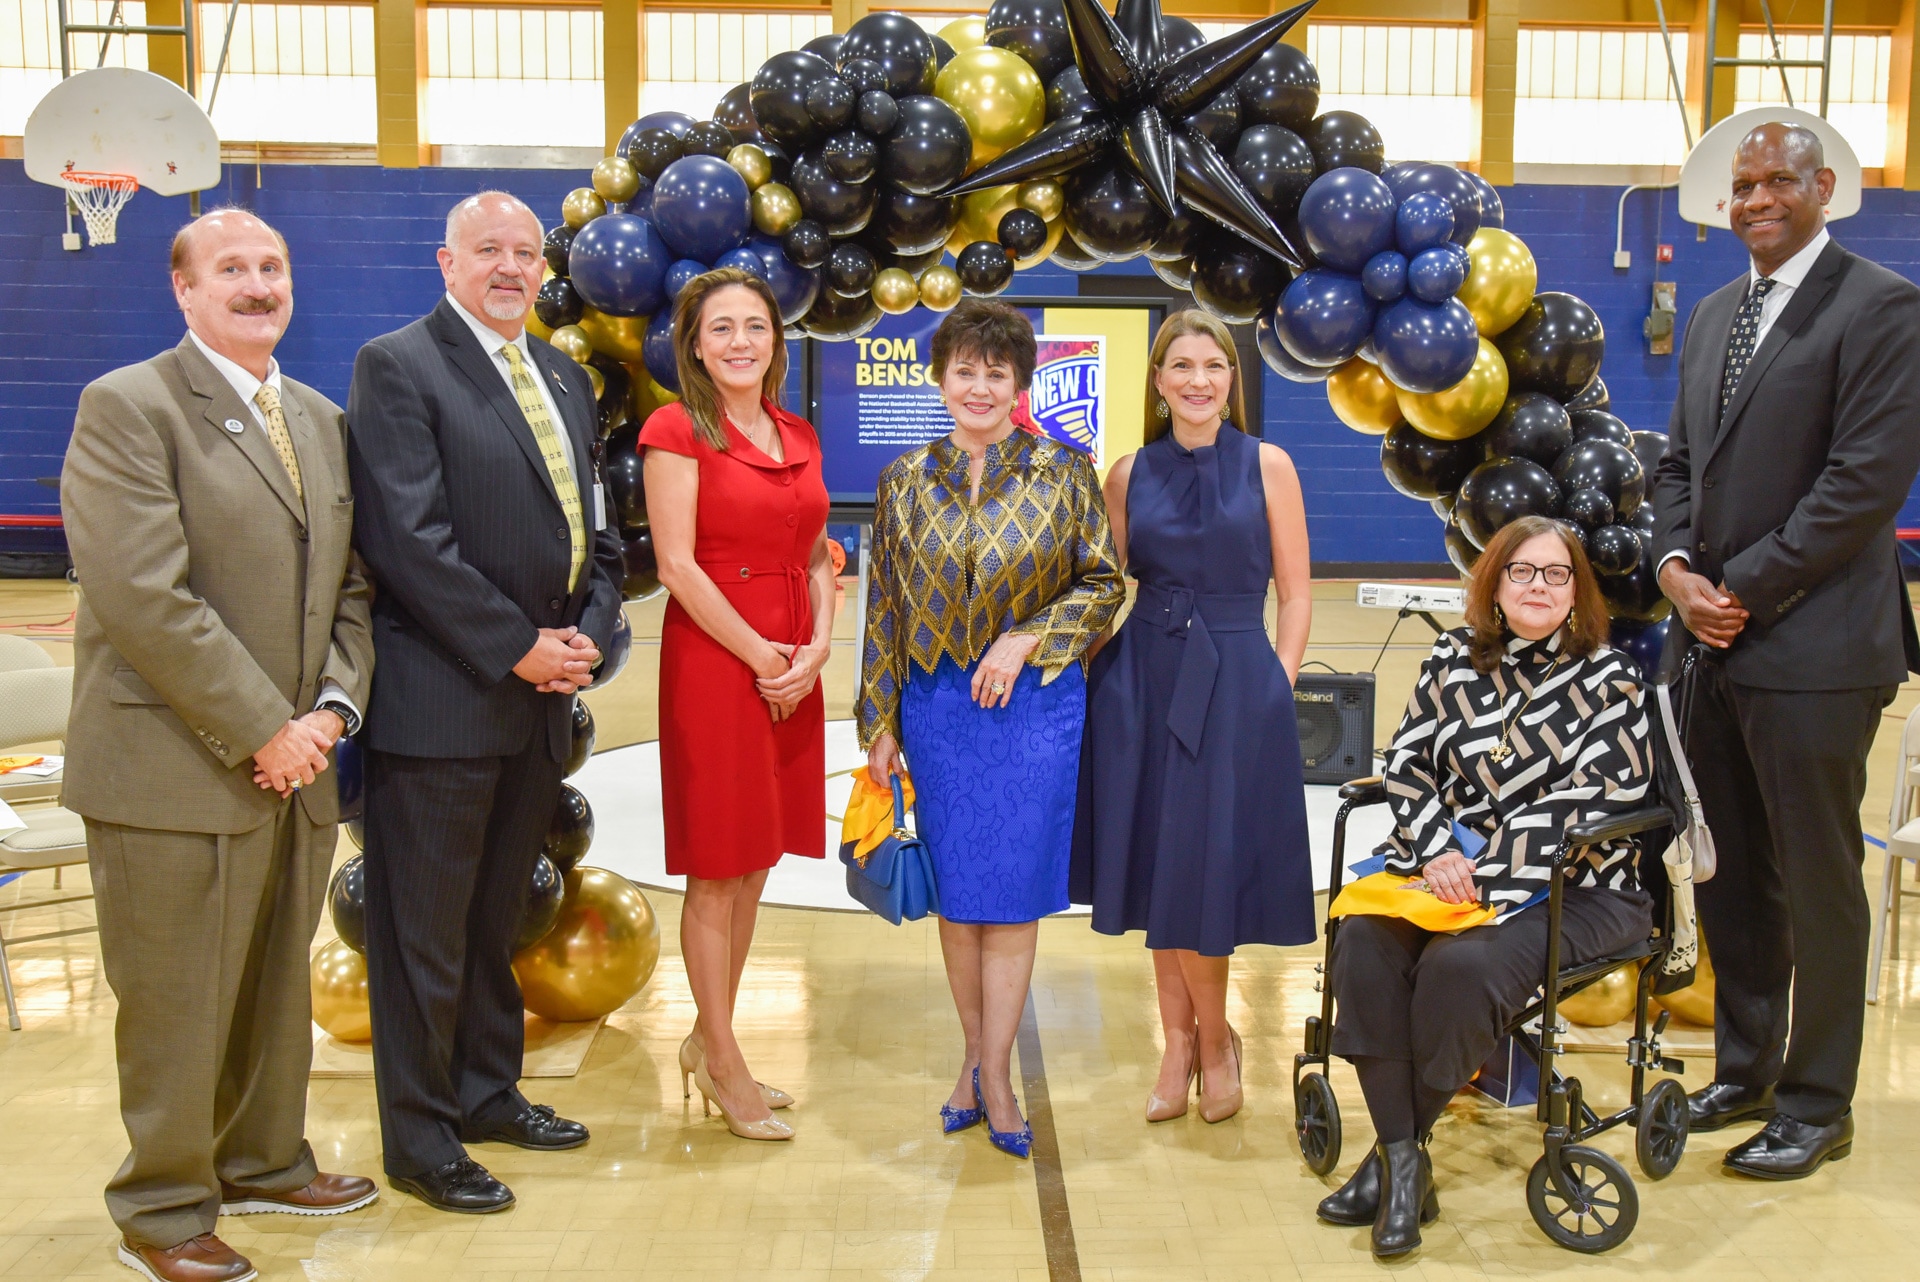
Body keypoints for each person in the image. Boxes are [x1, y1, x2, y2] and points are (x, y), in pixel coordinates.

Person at [61, 207, 377, 1282]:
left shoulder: (321, 419)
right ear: (184, 291)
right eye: (231, 267)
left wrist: (331, 714)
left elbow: (350, 589)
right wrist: (264, 728)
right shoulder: (131, 407)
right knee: (178, 996)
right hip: (172, 767)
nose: (257, 284)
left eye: (273, 266)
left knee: (272, 984)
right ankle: (160, 1205)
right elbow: (146, 598)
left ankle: (261, 1157)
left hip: (296, 765)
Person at [345, 192, 625, 1213]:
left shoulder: (560, 374)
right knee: (421, 929)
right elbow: (408, 541)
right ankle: (420, 1140)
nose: (509, 266)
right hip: (444, 701)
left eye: (524, 251)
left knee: (497, 916)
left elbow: (597, 531)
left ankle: (483, 1089)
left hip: (538, 705)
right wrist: (518, 647)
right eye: (488, 250)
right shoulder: (399, 366)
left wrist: (589, 632)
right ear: (446, 261)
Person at [1650, 122, 1920, 1179]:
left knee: (1815, 875)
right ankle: (1747, 1066)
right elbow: (1677, 466)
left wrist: (1741, 591)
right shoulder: (1716, 313)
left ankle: (1818, 1102)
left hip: (1815, 645)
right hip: (1708, 645)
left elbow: (1864, 482)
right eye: (1743, 184)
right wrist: (1675, 573)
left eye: (1778, 181)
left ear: (1825, 189)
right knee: (1731, 873)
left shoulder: (1880, 306)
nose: (1757, 197)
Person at [1318, 516, 1652, 1259]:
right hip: (1447, 872)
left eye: (1555, 574)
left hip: (1578, 888)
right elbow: (1406, 763)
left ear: (1577, 590)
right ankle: (1404, 1162)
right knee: (1364, 941)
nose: (1539, 586)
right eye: (1522, 572)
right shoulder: (1453, 658)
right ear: (1494, 585)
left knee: (1460, 967)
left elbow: (1601, 798)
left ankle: (1392, 1166)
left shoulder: (1610, 678)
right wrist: (1439, 851)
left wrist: (1486, 873)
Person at [859, 299, 1124, 1158]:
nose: (979, 387)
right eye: (964, 370)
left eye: (996, 373)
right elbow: (887, 609)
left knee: (1008, 898)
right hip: (936, 711)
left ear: (1020, 384)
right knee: (958, 896)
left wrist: (1026, 638)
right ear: (941, 378)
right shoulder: (902, 481)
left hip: (1034, 707)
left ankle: (998, 1072)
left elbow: (1103, 585)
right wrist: (880, 716)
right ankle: (973, 1058)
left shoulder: (1064, 471)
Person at [1070, 309, 1315, 1126]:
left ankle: (1212, 1042)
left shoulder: (1270, 464)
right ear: (1159, 379)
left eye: (1214, 365)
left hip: (1239, 676)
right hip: (1143, 677)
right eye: (1182, 365)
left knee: (1202, 868)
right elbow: (1103, 592)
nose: (1198, 380)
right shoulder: (1127, 472)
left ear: (1231, 379)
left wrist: (1277, 682)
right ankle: (1184, 1044)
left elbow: (1299, 590)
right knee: (1159, 869)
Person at [639, 269, 836, 1142]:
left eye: (754, 326)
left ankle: (708, 1039)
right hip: (721, 666)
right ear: (695, 344)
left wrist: (821, 646)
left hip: (794, 660)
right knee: (718, 868)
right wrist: (762, 656)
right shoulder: (675, 429)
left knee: (755, 862)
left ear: (775, 340)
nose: (739, 342)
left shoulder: (798, 432)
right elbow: (678, 566)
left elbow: (823, 553)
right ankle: (724, 1062)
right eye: (721, 328)